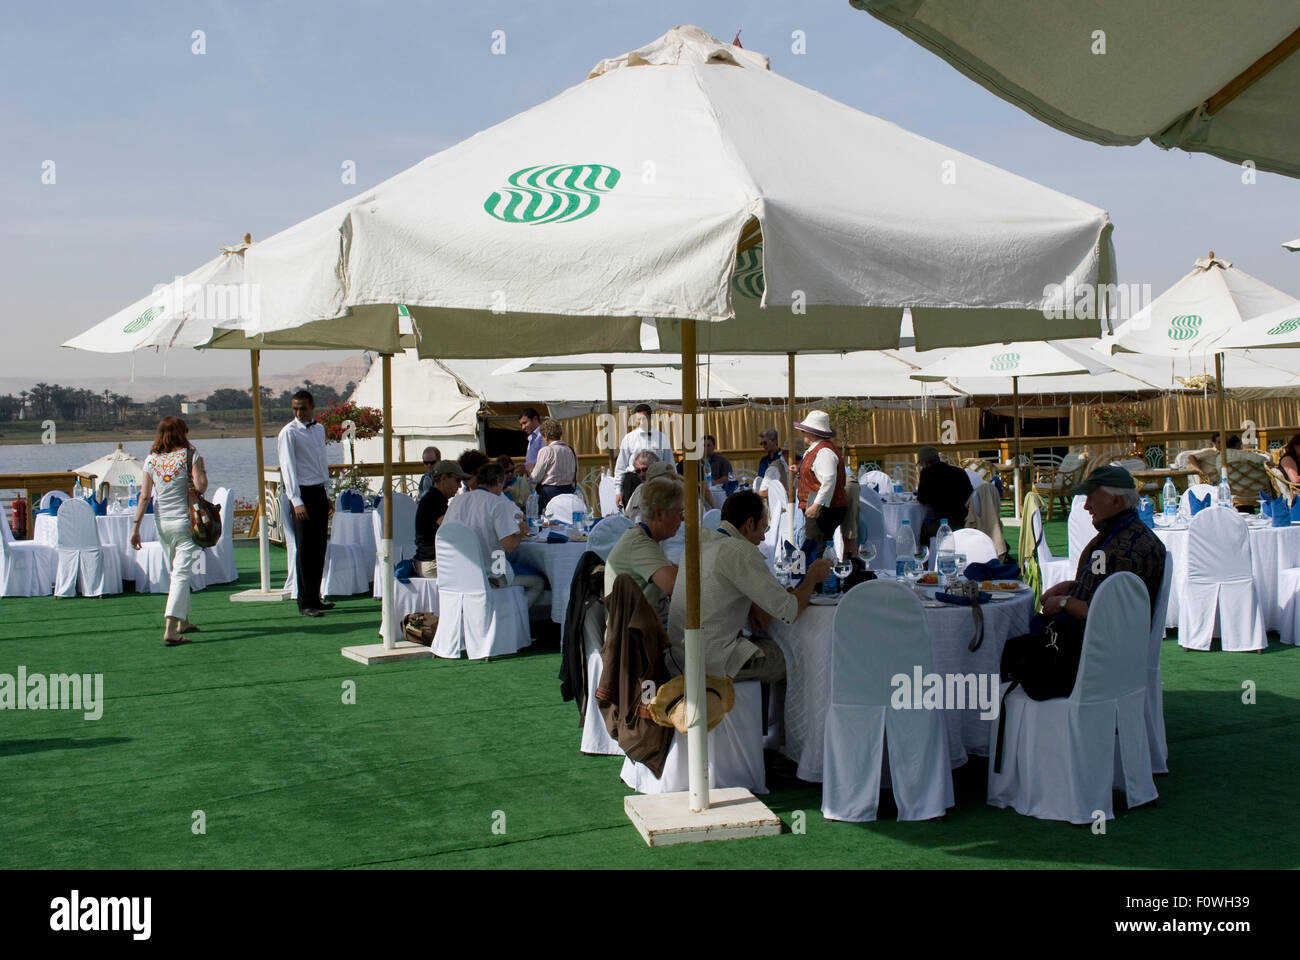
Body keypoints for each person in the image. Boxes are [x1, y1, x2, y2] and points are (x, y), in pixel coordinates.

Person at [1018, 467, 1167, 693]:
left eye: (1091, 498)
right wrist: (1073, 586)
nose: (1086, 506)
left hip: (1096, 662)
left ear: (1116, 501)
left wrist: (1064, 603)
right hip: (1093, 648)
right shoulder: (1116, 535)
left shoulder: (1128, 548)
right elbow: (1105, 586)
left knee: (1008, 654)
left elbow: (1107, 616)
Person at [666, 490, 832, 681]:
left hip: (679, 656)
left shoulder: (699, 542)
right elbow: (789, 611)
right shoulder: (740, 551)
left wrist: (753, 603)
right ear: (749, 524)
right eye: (763, 527)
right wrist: (812, 577)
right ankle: (773, 711)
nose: (762, 538)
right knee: (788, 657)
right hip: (708, 663)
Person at [131, 416, 208, 645]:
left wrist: (135, 527)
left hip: (162, 523)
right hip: (186, 522)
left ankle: (183, 620)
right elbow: (202, 486)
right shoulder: (190, 456)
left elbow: (145, 496)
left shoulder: (151, 460)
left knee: (177, 571)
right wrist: (197, 467)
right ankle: (171, 629)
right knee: (181, 575)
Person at [442, 462, 545, 608]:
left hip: (458, 573)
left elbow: (446, 534)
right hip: (490, 575)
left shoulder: (456, 501)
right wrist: (521, 533)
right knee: (539, 582)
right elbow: (509, 545)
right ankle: (511, 618)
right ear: (498, 482)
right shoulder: (496, 503)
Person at [276, 390, 333, 617]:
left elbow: (321, 462)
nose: (298, 412)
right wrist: (296, 500)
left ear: (312, 407)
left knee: (319, 547)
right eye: (295, 408)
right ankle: (305, 602)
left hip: (318, 491)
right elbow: (288, 468)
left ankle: (315, 597)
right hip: (302, 494)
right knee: (305, 550)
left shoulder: (319, 430)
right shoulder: (288, 433)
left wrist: (327, 493)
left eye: (302, 408)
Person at [604, 475, 683, 620]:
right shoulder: (639, 545)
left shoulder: (644, 538)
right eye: (678, 513)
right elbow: (674, 585)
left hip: (643, 625)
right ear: (659, 514)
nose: (682, 519)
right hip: (634, 635)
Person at [789, 410, 847, 563]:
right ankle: (813, 581)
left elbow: (828, 480)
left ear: (812, 433)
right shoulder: (819, 449)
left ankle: (817, 583)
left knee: (815, 549)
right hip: (819, 506)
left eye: (805, 431)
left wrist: (816, 505)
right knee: (813, 547)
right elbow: (819, 474)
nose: (802, 433)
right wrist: (801, 470)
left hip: (824, 509)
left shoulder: (824, 451)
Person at [613, 403, 674, 508]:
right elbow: (621, 466)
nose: (640, 422)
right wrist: (618, 491)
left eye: (643, 419)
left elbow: (670, 464)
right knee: (632, 513)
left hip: (657, 481)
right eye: (638, 419)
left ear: (650, 418)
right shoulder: (628, 438)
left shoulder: (662, 438)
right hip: (633, 480)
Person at [413, 461, 465, 577]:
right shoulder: (434, 501)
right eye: (457, 480)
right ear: (444, 477)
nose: (460, 486)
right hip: (431, 563)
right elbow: (452, 531)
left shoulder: (434, 498)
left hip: (428, 561)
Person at [915, 444, 973, 547]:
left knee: (919, 529)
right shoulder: (959, 472)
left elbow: (922, 499)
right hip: (965, 522)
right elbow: (970, 495)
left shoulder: (927, 473)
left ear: (926, 463)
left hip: (944, 524)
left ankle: (926, 560)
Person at [530, 417, 578, 512]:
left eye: (542, 436)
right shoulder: (571, 451)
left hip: (549, 494)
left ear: (546, 436)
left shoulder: (546, 451)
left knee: (546, 523)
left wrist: (529, 470)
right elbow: (575, 476)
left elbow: (535, 478)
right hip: (568, 492)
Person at [755, 429, 787, 499]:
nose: (763, 446)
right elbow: (760, 479)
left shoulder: (784, 457)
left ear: (774, 441)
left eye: (765, 443)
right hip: (765, 495)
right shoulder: (763, 461)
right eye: (761, 444)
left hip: (782, 495)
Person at [518, 408, 544, 476]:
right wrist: (523, 466)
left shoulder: (543, 435)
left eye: (525, 423)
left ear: (535, 419)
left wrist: (525, 467)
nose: (523, 427)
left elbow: (545, 460)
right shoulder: (533, 437)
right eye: (521, 425)